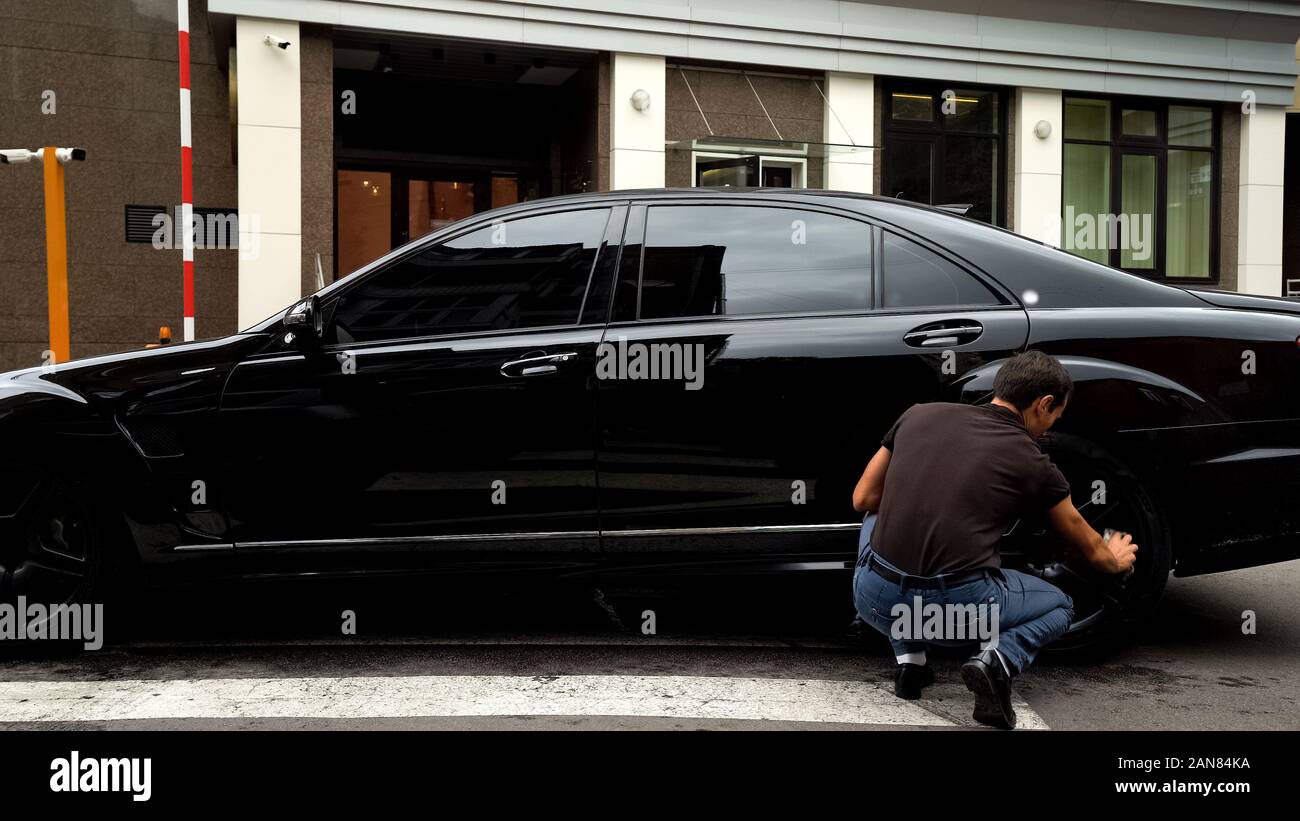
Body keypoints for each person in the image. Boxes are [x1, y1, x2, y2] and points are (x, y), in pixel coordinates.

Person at [850, 350, 1138, 729]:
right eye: (1054, 416)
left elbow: (863, 499)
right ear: (1044, 403)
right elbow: (1090, 549)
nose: (1049, 428)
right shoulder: (1031, 460)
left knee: (877, 518)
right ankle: (998, 660)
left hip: (873, 600)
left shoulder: (919, 414)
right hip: (953, 617)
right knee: (1060, 605)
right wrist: (1116, 557)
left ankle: (910, 665)